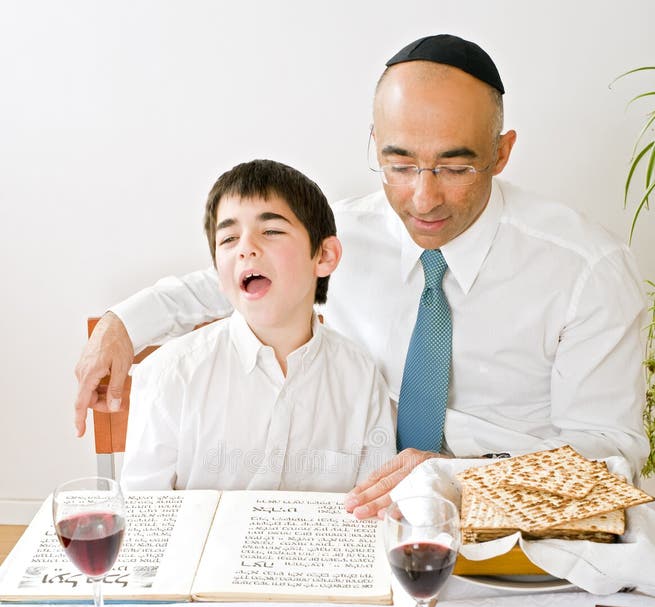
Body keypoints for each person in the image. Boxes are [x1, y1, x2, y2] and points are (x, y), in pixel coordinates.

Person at [75, 34, 648, 514]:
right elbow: (241, 275)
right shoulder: (341, 234)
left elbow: (611, 460)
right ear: (374, 145)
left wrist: (461, 476)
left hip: (516, 524)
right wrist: (124, 324)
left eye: (454, 166)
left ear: (501, 153)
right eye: (399, 165)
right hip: (362, 514)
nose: (423, 198)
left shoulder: (586, 272)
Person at [120, 159, 395, 491]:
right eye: (228, 239)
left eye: (271, 231)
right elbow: (143, 520)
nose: (246, 248)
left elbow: (373, 510)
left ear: (323, 256)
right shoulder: (169, 374)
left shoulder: (361, 379)